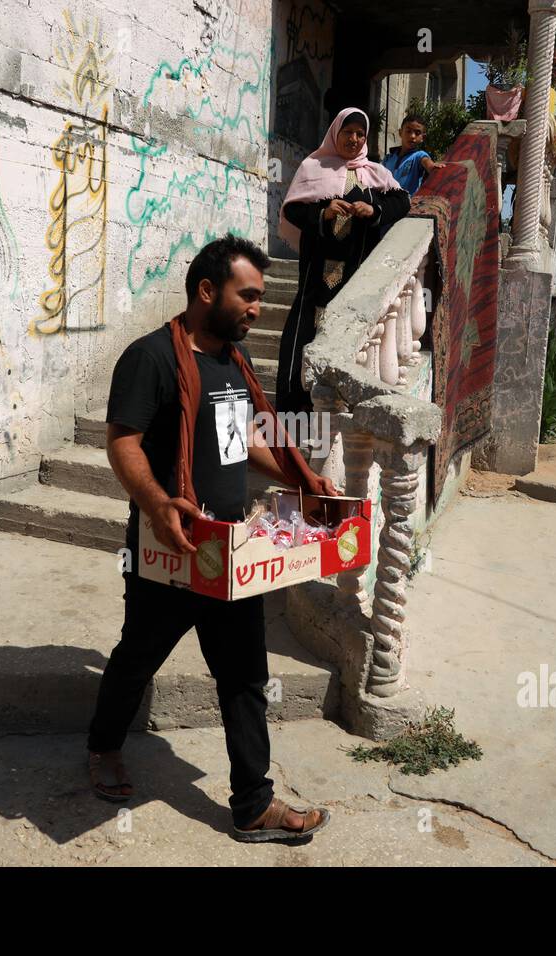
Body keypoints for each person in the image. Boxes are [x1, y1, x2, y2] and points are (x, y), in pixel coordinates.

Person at [87, 234, 340, 843]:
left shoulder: (235, 361)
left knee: (245, 676)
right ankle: (102, 747)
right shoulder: (150, 358)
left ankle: (253, 804)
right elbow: (122, 441)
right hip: (169, 547)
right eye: (247, 295)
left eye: (258, 297)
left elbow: (240, 441)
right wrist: (154, 502)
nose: (256, 307)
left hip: (230, 551)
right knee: (138, 656)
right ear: (207, 291)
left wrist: (302, 482)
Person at [275, 107, 412, 413]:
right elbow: (293, 211)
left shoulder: (375, 173)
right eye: (347, 132)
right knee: (305, 329)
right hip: (317, 270)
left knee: (350, 331)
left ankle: (340, 406)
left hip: (357, 271)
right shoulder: (313, 167)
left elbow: (402, 201)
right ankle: (294, 407)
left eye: (360, 134)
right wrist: (322, 213)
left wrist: (373, 211)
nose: (353, 138)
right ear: (336, 133)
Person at [382, 114, 448, 195]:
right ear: (400, 132)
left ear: (422, 138)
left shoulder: (418, 156)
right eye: (408, 131)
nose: (412, 136)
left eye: (417, 133)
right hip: (384, 203)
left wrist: (433, 167)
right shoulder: (388, 158)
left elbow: (427, 163)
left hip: (406, 205)